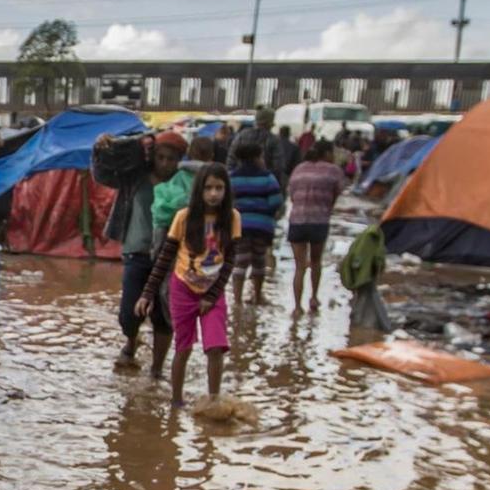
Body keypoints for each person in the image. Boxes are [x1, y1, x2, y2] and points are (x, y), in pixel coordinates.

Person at [139, 162, 238, 409]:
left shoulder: (232, 218)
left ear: (226, 190)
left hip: (212, 291)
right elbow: (164, 258)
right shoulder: (183, 217)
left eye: (219, 188)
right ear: (199, 191)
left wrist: (212, 295)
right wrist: (147, 294)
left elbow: (230, 262)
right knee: (183, 347)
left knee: (215, 347)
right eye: (208, 188)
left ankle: (214, 402)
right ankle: (176, 402)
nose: (214, 194)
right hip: (183, 288)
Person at [94, 130, 186, 376]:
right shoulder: (135, 177)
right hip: (136, 252)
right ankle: (132, 341)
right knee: (129, 312)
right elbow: (102, 174)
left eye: (171, 159)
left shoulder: (183, 183)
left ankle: (157, 369)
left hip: (170, 257)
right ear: (152, 156)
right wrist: (100, 150)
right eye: (161, 157)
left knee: (163, 315)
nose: (165, 164)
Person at [285, 140, 345, 313]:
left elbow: (292, 195)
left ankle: (297, 307)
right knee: (316, 262)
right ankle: (313, 298)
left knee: (299, 266)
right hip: (319, 221)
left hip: (297, 220)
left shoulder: (299, 168)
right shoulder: (333, 171)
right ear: (326, 153)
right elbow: (337, 193)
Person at [229, 138, 283, 306]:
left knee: (240, 261)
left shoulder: (232, 178)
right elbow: (276, 201)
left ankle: (237, 300)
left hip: (239, 227)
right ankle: (257, 296)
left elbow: (227, 203)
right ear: (256, 158)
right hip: (262, 227)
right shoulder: (267, 177)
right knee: (259, 261)